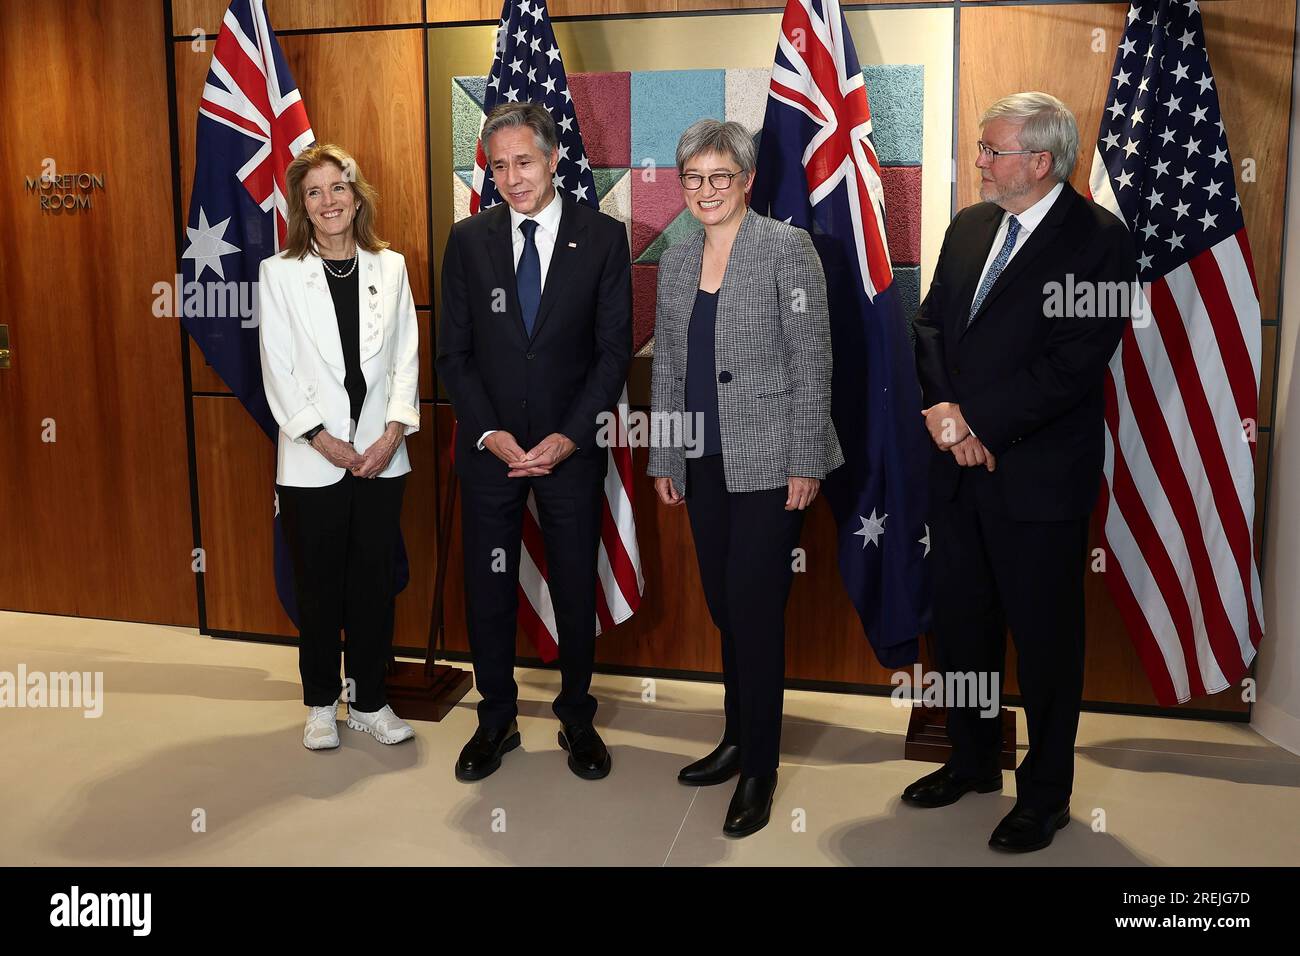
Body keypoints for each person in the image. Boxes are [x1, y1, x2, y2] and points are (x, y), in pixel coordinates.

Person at [906, 92, 1136, 851]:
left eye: (991, 149)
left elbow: (1074, 362)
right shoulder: (972, 225)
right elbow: (931, 323)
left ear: (1039, 161)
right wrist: (944, 411)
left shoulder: (1099, 240)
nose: (978, 161)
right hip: (958, 474)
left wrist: (977, 422)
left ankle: (1046, 794)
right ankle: (972, 761)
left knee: (1044, 644)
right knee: (964, 632)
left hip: (1037, 481)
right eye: (980, 146)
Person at [647, 119, 843, 837]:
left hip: (768, 461)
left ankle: (760, 765)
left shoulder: (787, 250)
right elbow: (668, 364)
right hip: (700, 459)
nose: (705, 190)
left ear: (747, 180)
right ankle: (735, 737)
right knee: (727, 606)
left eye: (719, 177)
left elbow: (811, 360)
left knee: (756, 611)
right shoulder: (674, 261)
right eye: (693, 178)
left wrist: (803, 460)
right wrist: (665, 455)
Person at [436, 102, 632, 782]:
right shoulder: (467, 241)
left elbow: (612, 354)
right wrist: (490, 432)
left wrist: (568, 437)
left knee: (575, 586)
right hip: (490, 454)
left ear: (553, 158)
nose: (513, 178)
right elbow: (452, 354)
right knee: (487, 589)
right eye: (499, 166)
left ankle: (578, 718)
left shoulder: (604, 238)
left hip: (568, 453)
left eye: (525, 161)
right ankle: (496, 721)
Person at [258, 143, 422, 751]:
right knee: (320, 585)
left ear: (357, 197)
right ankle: (322, 703)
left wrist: (391, 433)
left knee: (374, 582)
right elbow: (276, 367)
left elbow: (406, 358)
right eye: (314, 193)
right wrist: (321, 439)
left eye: (338, 189)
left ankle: (371, 701)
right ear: (303, 206)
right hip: (311, 459)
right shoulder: (279, 272)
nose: (329, 202)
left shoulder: (392, 266)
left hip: (384, 453)